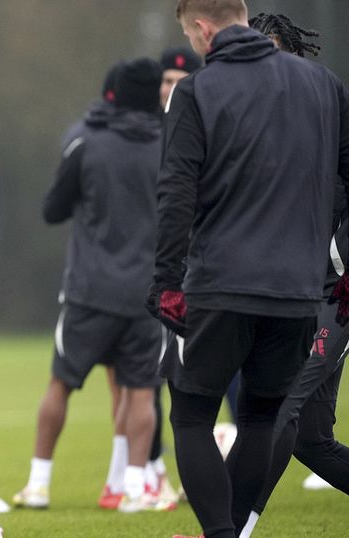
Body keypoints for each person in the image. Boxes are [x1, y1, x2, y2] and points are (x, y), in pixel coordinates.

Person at [148, 1, 349, 536]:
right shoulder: (325, 86)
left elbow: (175, 193)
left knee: (192, 416)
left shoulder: (197, 89)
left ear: (201, 28)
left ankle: (221, 533)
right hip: (299, 292)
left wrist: (165, 281)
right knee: (268, 420)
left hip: (222, 285)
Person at [12, 59, 170, 513]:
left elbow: (52, 209)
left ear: (113, 93)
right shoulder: (172, 145)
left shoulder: (87, 141)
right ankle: (135, 489)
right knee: (142, 392)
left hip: (90, 290)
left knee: (61, 384)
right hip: (147, 294)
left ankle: (39, 484)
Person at [241, 12, 347, 537]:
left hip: (335, 295)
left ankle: (231, 529)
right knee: (311, 441)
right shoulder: (249, 127)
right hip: (286, 296)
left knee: (278, 407)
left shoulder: (329, 113)